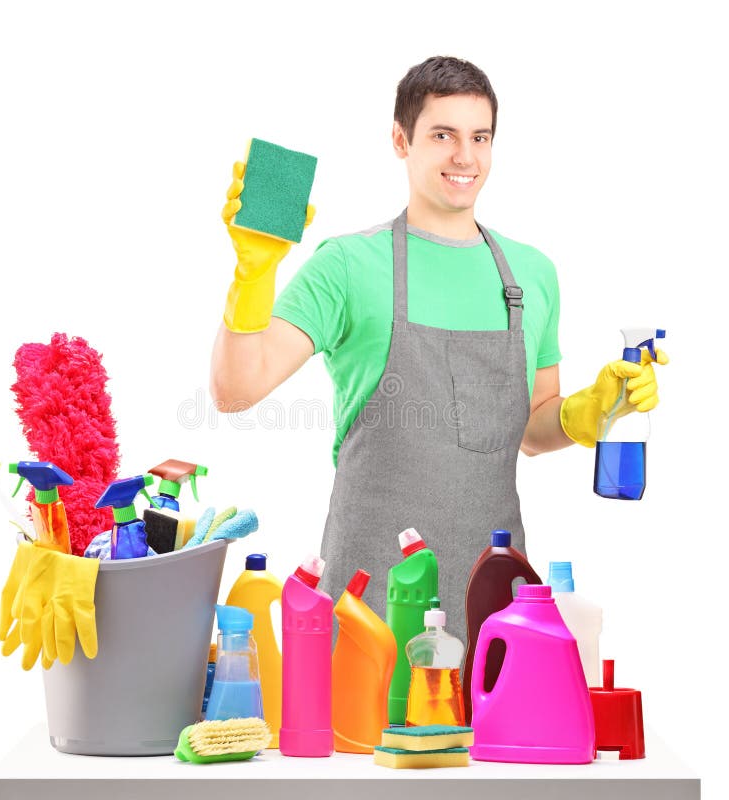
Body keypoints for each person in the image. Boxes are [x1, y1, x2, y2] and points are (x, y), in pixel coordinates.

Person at [210, 56, 666, 640]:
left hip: (494, 610)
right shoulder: (348, 264)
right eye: (443, 135)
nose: (465, 157)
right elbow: (235, 390)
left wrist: (592, 410)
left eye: (480, 137)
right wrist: (253, 273)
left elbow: (532, 428)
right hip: (368, 611)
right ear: (401, 141)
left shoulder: (533, 274)